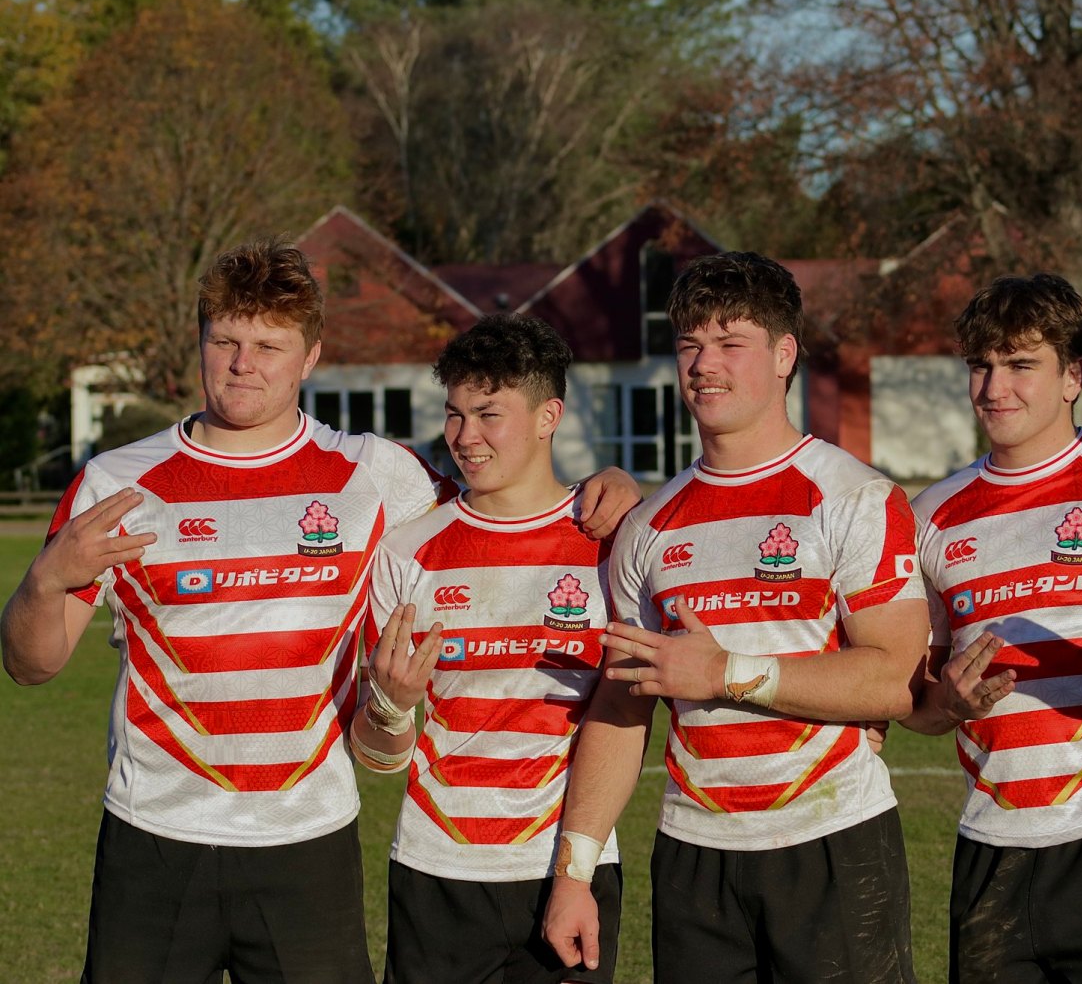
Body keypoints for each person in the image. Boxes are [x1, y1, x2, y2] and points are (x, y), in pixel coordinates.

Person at [0, 239, 635, 983]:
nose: (244, 362)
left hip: (308, 843)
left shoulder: (377, 473)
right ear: (200, 342)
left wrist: (611, 485)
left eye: (270, 345)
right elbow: (31, 664)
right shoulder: (117, 478)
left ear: (310, 357)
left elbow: (501, 500)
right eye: (226, 340)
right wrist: (46, 581)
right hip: (155, 837)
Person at [542, 251, 930, 984]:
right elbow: (621, 706)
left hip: (831, 838)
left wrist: (729, 674)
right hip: (694, 856)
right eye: (689, 344)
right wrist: (573, 869)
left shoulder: (853, 496)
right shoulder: (648, 525)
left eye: (730, 343)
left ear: (784, 354)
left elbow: (894, 679)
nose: (703, 364)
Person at [903, 273, 1082, 984]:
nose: (993, 386)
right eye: (980, 364)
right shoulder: (931, 514)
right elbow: (916, 701)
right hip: (991, 846)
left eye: (1019, 363)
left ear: (1073, 375)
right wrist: (947, 704)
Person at [354, 313, 628, 983]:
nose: (464, 438)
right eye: (453, 414)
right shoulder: (405, 552)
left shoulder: (613, 542)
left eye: (487, 414)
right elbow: (376, 755)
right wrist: (391, 708)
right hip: (436, 870)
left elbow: (629, 717)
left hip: (568, 869)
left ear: (547, 415)